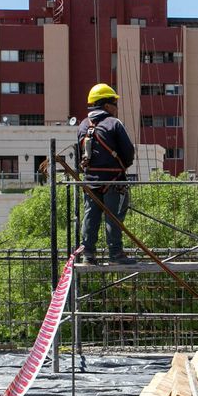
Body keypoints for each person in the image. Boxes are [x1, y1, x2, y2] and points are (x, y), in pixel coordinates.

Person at [76, 83, 136, 265]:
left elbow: (79, 156)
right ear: (107, 105)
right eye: (115, 104)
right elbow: (129, 151)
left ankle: (88, 255)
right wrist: (122, 167)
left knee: (90, 217)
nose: (116, 108)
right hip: (114, 181)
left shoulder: (83, 125)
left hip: (90, 182)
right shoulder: (114, 123)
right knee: (114, 216)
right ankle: (116, 254)